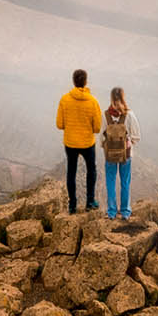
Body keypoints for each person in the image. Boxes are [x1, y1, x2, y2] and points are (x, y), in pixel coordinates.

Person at [55, 68, 103, 210]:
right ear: (85, 82)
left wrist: (71, 126)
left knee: (71, 172)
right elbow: (97, 128)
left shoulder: (64, 99)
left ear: (73, 81)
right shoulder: (93, 102)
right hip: (88, 143)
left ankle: (72, 205)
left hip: (70, 143)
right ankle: (90, 202)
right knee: (91, 171)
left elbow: (59, 124)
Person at [99, 85, 134, 215]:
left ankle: (112, 211)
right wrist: (128, 143)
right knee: (125, 182)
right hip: (126, 154)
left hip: (110, 155)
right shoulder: (129, 115)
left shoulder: (105, 115)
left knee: (110, 182)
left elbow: (101, 138)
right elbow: (136, 136)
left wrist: (108, 146)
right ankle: (125, 211)